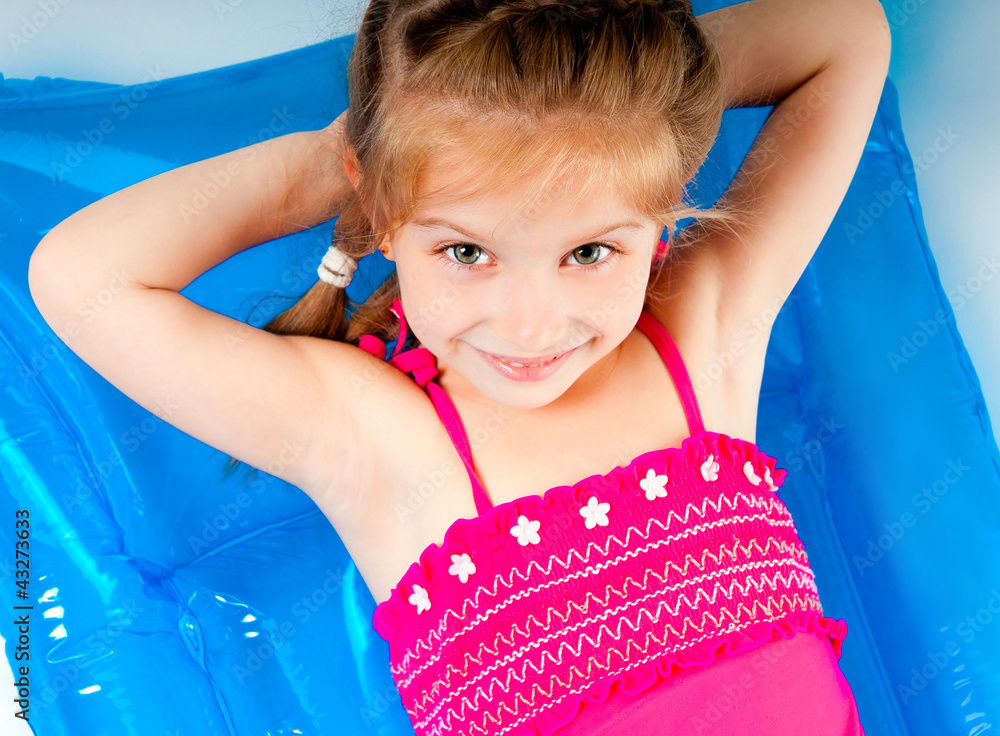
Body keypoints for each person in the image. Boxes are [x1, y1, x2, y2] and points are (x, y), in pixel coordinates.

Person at [27, 0, 891, 733]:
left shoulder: (703, 342)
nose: (529, 323)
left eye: (589, 250)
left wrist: (633, 114)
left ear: (660, 223)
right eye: (467, 251)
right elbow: (81, 279)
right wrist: (361, 159)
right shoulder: (380, 440)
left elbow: (846, 31)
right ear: (386, 215)